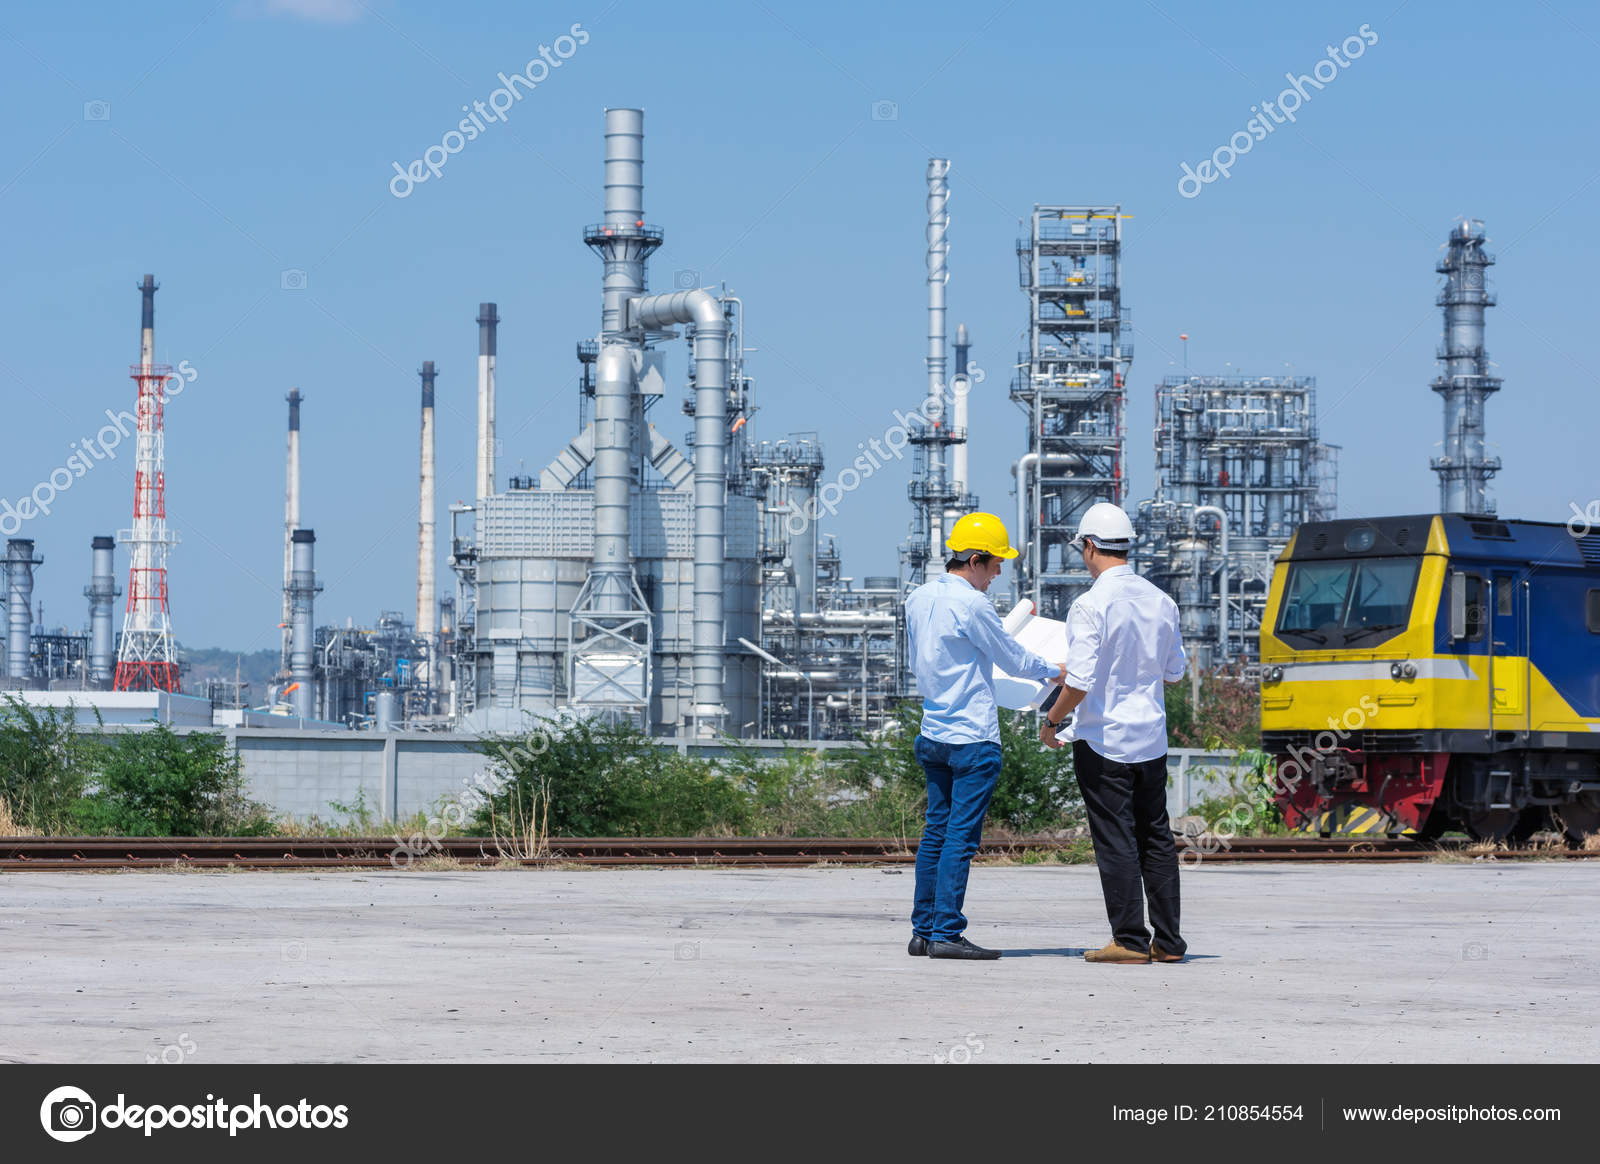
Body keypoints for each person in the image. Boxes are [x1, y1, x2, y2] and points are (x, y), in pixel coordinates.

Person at [903, 512, 1066, 960]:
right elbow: (1013, 660)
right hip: (972, 737)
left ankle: (923, 931)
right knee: (960, 838)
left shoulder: (917, 598)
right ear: (975, 559)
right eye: (995, 565)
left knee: (936, 832)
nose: (997, 575)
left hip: (932, 732)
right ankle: (947, 934)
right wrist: (1058, 670)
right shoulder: (972, 606)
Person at [1039, 502, 1189, 965]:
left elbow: (1079, 682)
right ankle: (1168, 943)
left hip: (1103, 741)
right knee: (1156, 836)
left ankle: (1128, 939)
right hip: (1151, 740)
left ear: (1088, 547)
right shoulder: (1161, 601)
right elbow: (1175, 672)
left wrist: (1050, 722)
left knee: (1116, 838)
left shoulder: (1089, 605)